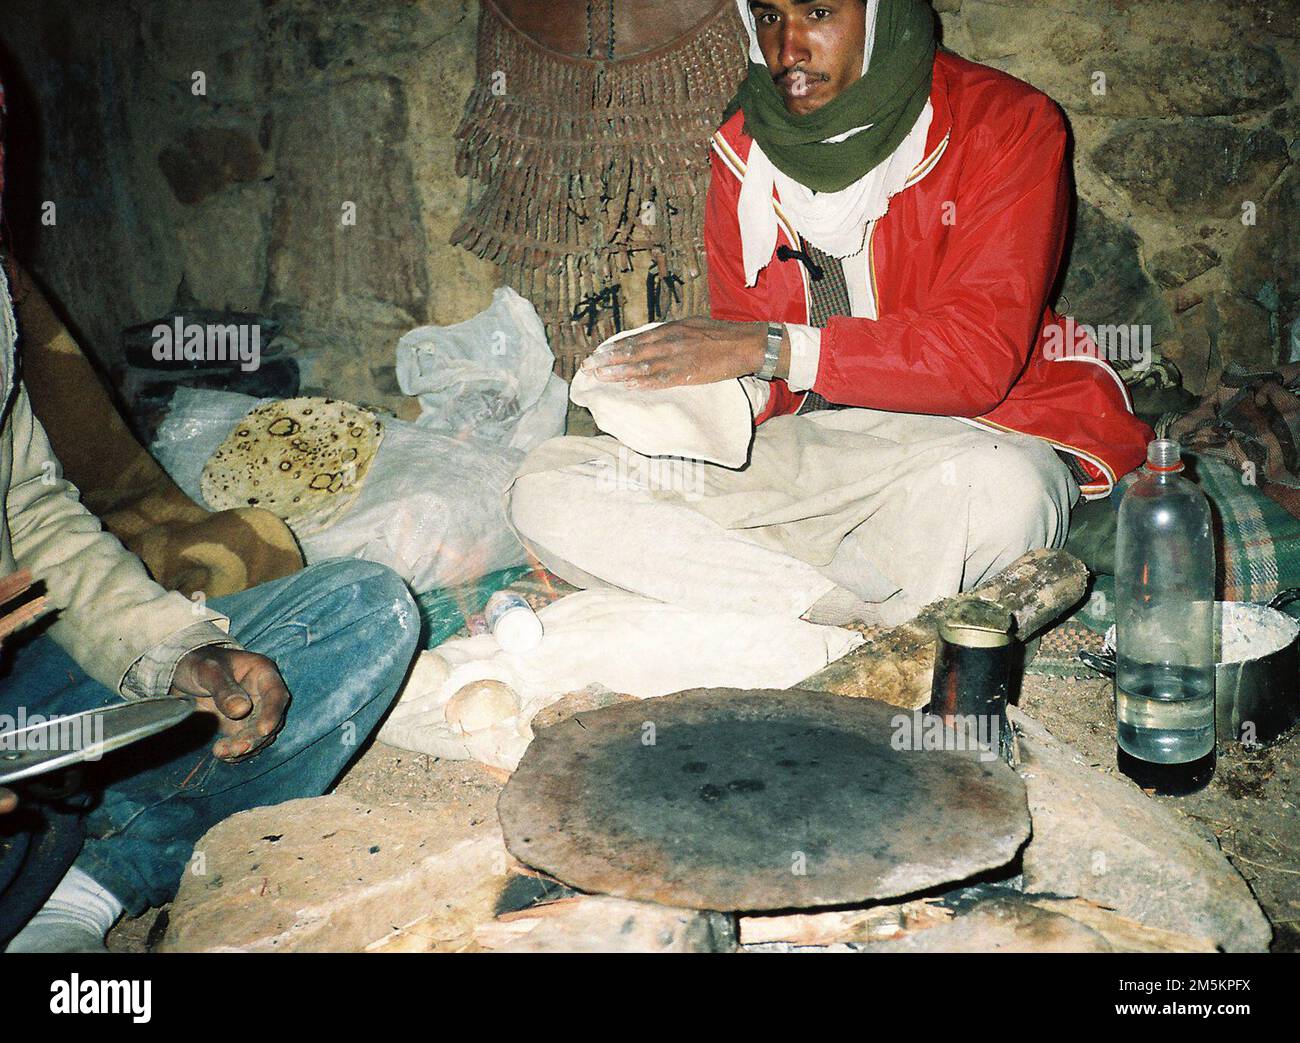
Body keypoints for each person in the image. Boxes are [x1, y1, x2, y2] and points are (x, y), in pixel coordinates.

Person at [509, 0, 1153, 629]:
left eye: (818, 13)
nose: (787, 48)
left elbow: (974, 361)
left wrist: (770, 348)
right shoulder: (745, 145)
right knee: (549, 487)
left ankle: (763, 602)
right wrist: (687, 404)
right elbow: (757, 359)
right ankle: (837, 615)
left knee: (1003, 496)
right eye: (768, 16)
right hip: (820, 449)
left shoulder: (1006, 123)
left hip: (971, 436)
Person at [0, 87, 420, 952]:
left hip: (18, 696)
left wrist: (171, 652)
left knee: (362, 612)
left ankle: (77, 890)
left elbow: (33, 510)